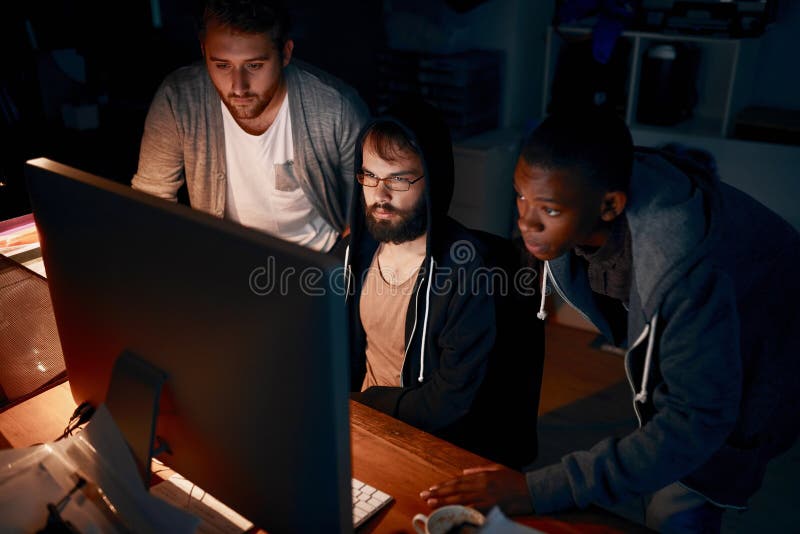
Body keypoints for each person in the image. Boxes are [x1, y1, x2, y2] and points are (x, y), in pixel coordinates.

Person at [420, 108, 800, 532]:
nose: (526, 220)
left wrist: (534, 490)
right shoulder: (580, 193)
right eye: (520, 196)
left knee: (679, 502)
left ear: (609, 206)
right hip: (714, 317)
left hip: (772, 342)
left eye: (547, 209)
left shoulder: (681, 272)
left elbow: (695, 421)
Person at [340, 97, 543, 469]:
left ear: (432, 179)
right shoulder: (357, 253)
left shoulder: (468, 274)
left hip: (427, 442)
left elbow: (450, 400)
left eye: (398, 179)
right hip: (360, 425)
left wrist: (360, 403)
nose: (379, 195)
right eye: (369, 176)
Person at [132, 0, 368, 252]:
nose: (238, 87)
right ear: (203, 51)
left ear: (285, 53)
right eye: (222, 65)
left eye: (254, 66)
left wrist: (331, 274)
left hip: (316, 265)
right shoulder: (178, 99)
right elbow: (150, 205)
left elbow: (367, 212)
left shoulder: (337, 108)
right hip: (222, 267)